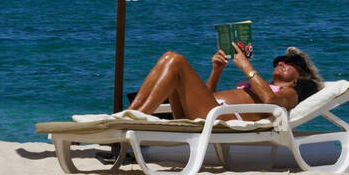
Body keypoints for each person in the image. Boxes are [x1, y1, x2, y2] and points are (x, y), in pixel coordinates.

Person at [131, 43, 322, 120]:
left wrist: (246, 66)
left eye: (291, 62)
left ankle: (134, 119)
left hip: (216, 119)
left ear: (301, 75)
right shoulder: (261, 85)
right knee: (168, 59)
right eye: (279, 60)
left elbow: (270, 101)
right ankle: (131, 115)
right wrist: (216, 72)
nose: (282, 62)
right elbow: (207, 96)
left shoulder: (289, 94)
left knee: (175, 60)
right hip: (207, 112)